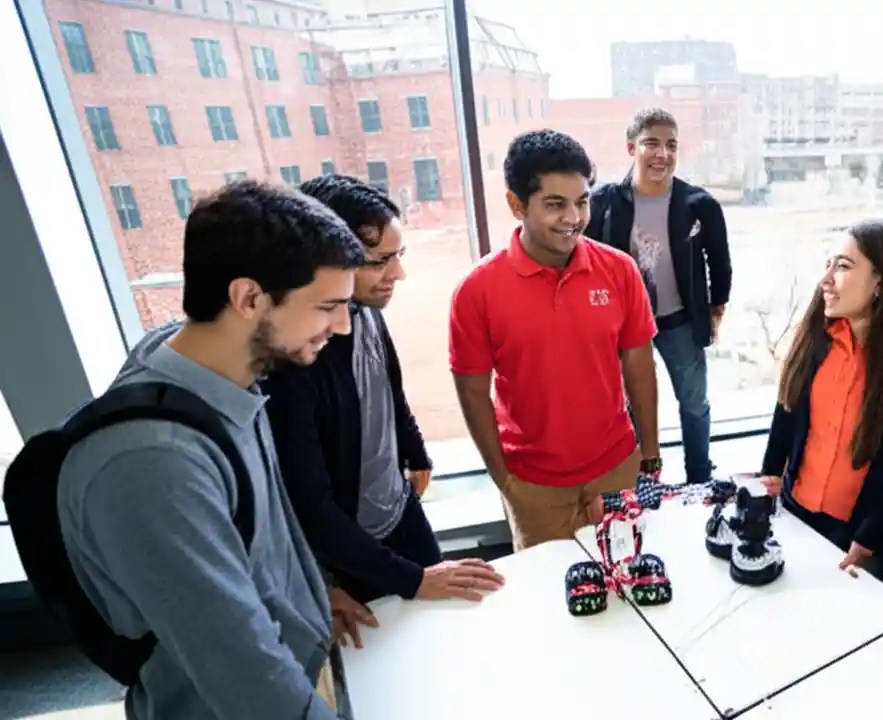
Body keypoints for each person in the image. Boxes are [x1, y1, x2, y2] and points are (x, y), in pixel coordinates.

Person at [56, 181, 365, 719]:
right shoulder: (150, 464)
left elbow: (260, 540)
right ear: (248, 298)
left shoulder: (217, 369)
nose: (341, 326)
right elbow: (242, 673)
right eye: (328, 306)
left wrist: (312, 595)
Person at [263, 175, 504, 617]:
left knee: (446, 616)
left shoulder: (365, 310)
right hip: (348, 545)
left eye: (398, 256)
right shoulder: (296, 358)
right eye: (380, 261)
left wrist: (415, 452)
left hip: (397, 507)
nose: (398, 274)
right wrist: (334, 579)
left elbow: (388, 388)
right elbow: (308, 503)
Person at [449, 129, 662, 551]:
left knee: (630, 587)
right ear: (516, 205)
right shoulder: (476, 291)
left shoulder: (619, 271)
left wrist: (649, 455)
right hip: (533, 486)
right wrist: (505, 481)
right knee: (552, 603)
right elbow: (473, 394)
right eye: (554, 204)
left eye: (581, 201)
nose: (573, 218)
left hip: (616, 469)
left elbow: (639, 365)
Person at [759, 221, 883, 580]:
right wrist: (770, 473)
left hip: (858, 532)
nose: (826, 279)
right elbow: (787, 406)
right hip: (794, 507)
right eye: (828, 264)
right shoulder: (819, 330)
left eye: (844, 266)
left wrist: (869, 537)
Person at [585, 107, 731, 485]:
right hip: (625, 328)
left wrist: (717, 307)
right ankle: (644, 478)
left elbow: (720, 260)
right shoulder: (603, 203)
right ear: (631, 147)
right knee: (632, 404)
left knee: (694, 403)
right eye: (652, 143)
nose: (662, 154)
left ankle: (699, 476)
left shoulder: (699, 204)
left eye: (671, 145)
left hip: (679, 320)